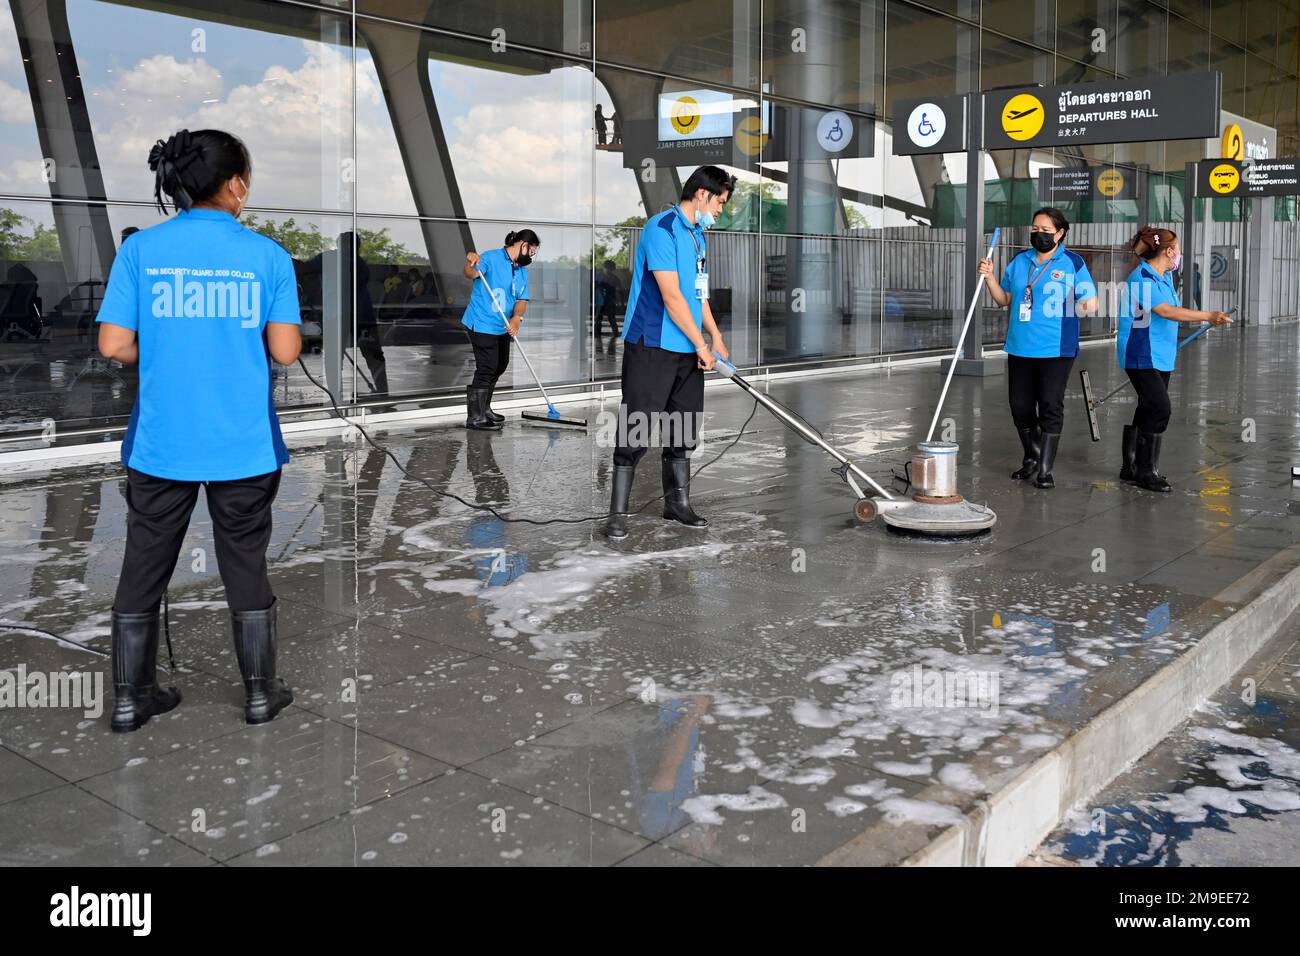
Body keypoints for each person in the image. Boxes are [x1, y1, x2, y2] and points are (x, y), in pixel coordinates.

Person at [96, 128, 301, 731]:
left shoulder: (141, 251)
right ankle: (260, 695)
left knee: (143, 564)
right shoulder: (267, 256)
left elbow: (114, 344)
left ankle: (132, 700)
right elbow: (286, 352)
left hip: (162, 442)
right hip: (243, 444)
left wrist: (162, 346)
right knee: (245, 561)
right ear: (235, 185)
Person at [605, 165, 732, 539]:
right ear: (703, 195)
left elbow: (697, 294)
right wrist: (700, 344)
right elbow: (671, 297)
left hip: (686, 351)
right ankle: (617, 514)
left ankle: (676, 504)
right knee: (636, 428)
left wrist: (715, 336)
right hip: (652, 345)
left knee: (684, 427)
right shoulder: (659, 229)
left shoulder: (698, 238)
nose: (720, 211)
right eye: (720, 203)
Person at [979, 207, 1099, 489]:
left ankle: (1045, 469)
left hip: (1056, 349)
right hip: (1020, 346)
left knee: (1049, 405)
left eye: (1046, 230)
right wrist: (990, 278)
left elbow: (1091, 301)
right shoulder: (1020, 261)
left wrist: (1081, 303)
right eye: (1035, 229)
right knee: (1020, 406)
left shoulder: (1073, 262)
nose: (1039, 234)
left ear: (1060, 233)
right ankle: (1032, 457)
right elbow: (1003, 299)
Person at [1117, 226, 1232, 492]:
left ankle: (1131, 467)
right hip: (1140, 350)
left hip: (1161, 353)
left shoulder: (1164, 277)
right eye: (1177, 249)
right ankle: (1147, 472)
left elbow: (1172, 309)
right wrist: (1207, 315)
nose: (1179, 254)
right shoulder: (1142, 278)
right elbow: (1166, 311)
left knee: (1147, 406)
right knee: (1160, 408)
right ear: (1169, 251)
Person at [461, 229, 539, 430]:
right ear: (522, 244)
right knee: (487, 367)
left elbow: (521, 301)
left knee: (500, 365)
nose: (531, 256)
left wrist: (516, 318)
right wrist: (471, 261)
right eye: (531, 251)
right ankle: (475, 417)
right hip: (482, 322)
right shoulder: (491, 257)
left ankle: (485, 408)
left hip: (503, 325)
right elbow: (471, 273)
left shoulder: (522, 271)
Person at [595, 259, 621, 337]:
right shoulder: (599, 276)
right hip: (604, 300)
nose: (608, 270)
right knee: (601, 318)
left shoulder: (600, 277)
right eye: (608, 268)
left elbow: (619, 291)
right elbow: (619, 291)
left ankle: (599, 334)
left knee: (609, 318)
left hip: (607, 301)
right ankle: (598, 334)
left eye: (610, 269)